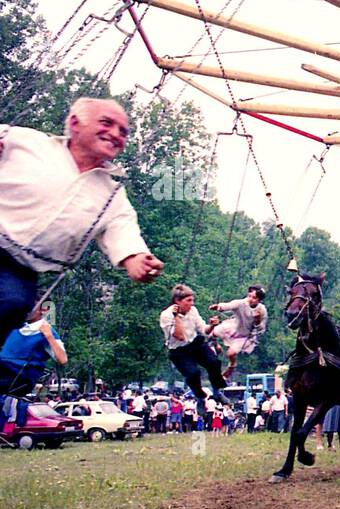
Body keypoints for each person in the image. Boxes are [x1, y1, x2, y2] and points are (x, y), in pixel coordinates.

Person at [0, 98, 164, 342]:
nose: (115, 134)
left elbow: (123, 231)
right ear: (75, 124)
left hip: (19, 270)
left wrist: (137, 260)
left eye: (123, 131)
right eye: (106, 123)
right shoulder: (25, 141)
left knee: (12, 303)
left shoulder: (112, 194)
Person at [159, 284, 229, 416]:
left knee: (213, 362)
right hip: (179, 351)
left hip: (195, 344)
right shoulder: (166, 316)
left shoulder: (193, 311)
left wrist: (212, 326)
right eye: (188, 301)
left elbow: (203, 330)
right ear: (177, 301)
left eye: (192, 300)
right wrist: (177, 317)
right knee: (193, 374)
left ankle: (216, 393)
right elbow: (179, 336)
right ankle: (200, 398)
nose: (192, 304)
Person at [0, 303, 67, 426]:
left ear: (44, 309)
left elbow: (62, 359)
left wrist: (49, 336)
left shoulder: (45, 331)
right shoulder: (15, 326)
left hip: (19, 374)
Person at [206, 285, 268, 379]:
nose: (250, 299)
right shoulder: (241, 303)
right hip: (233, 327)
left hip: (245, 336)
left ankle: (232, 366)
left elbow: (261, 329)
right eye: (249, 296)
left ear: (259, 300)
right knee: (214, 332)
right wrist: (219, 307)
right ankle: (215, 346)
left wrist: (258, 321)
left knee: (230, 353)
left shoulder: (261, 310)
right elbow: (229, 305)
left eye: (254, 298)